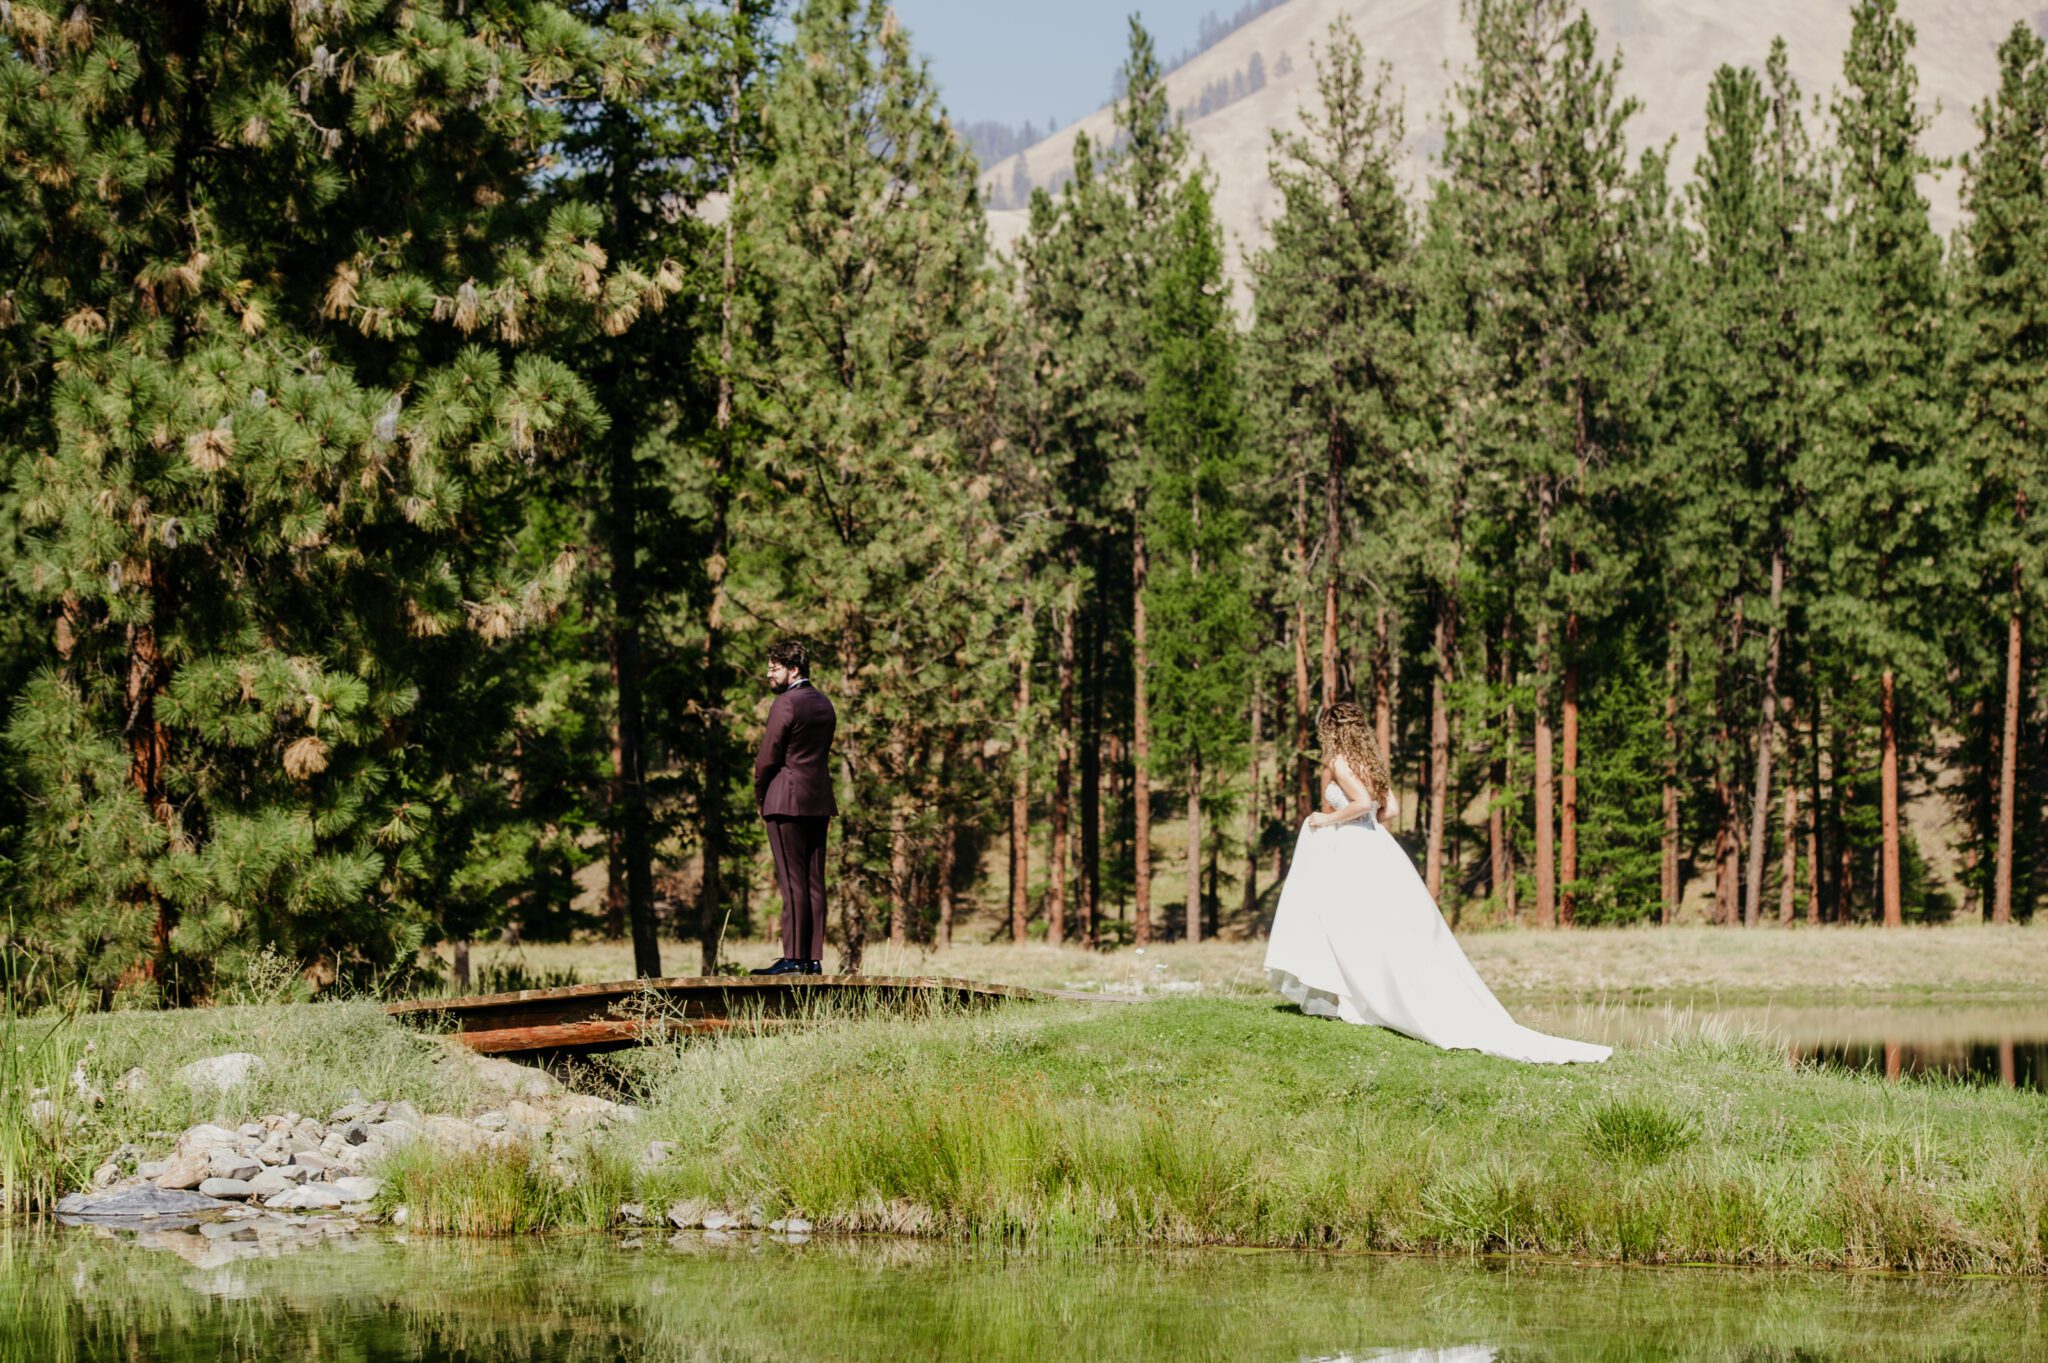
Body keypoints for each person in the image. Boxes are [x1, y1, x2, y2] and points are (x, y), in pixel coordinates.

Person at [1264, 701, 1610, 1064]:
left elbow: (1362, 802)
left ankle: (1358, 999)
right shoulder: (1371, 763)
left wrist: (1326, 819)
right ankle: (1361, 997)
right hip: (1378, 847)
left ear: (1331, 731)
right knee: (1380, 929)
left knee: (1346, 925)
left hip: (1351, 847)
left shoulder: (1337, 762)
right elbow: (1390, 810)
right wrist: (1365, 826)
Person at [751, 638, 837, 977]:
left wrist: (761, 794)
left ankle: (793, 958)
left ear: (794, 669)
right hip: (819, 800)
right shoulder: (824, 703)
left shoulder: (787, 704)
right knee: (815, 880)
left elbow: (768, 756)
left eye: (774, 668)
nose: (768, 674)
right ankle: (812, 959)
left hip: (785, 800)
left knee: (791, 881)